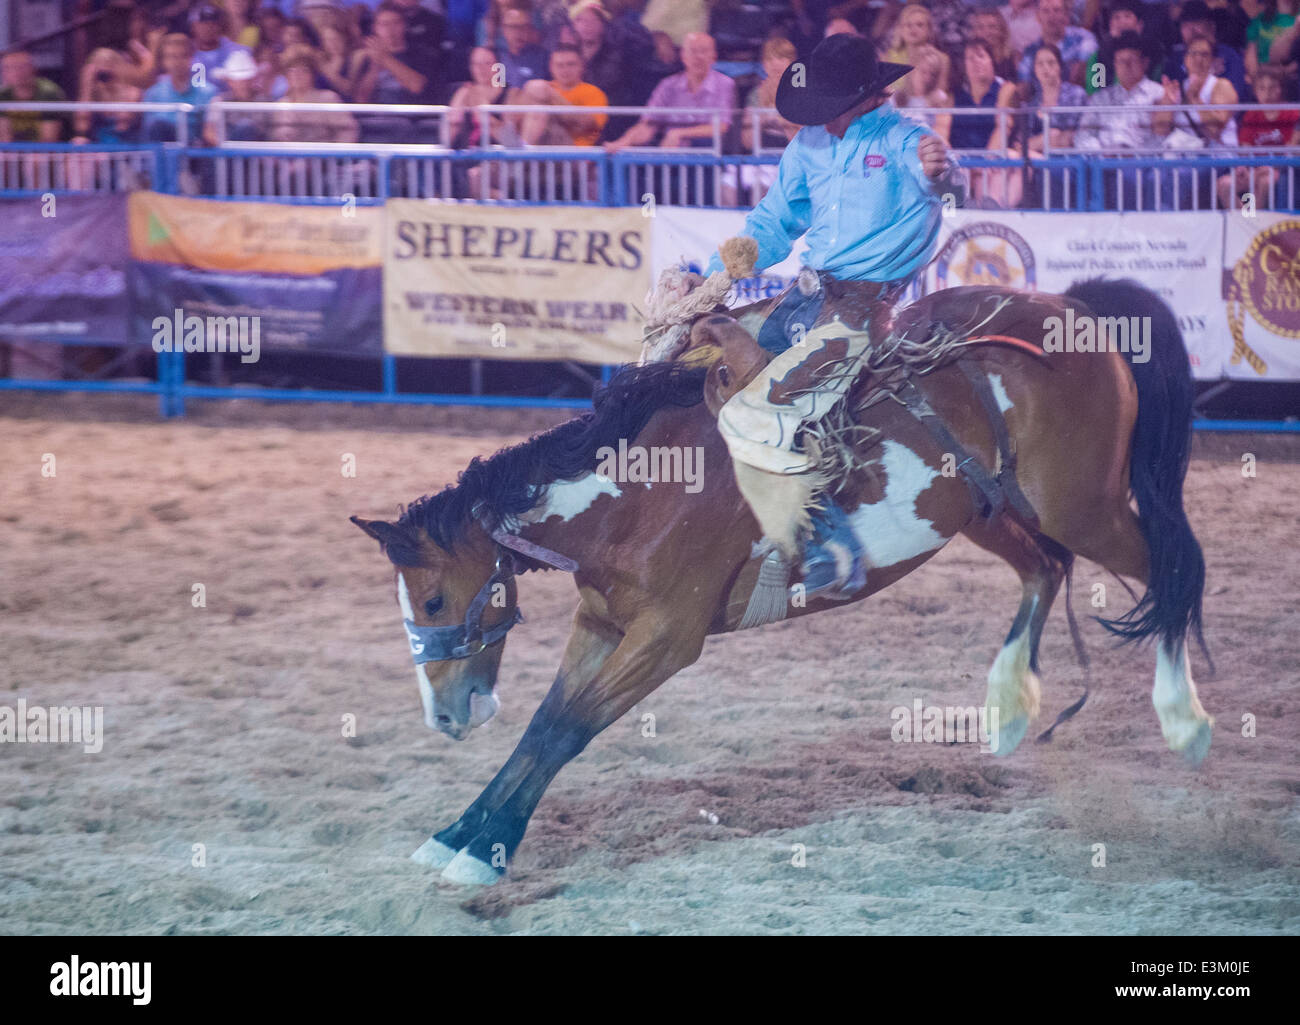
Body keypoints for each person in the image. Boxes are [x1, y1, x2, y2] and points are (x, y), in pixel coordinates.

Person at [703, 33, 967, 598]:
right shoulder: (810, 146)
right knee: (728, 373)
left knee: (778, 401)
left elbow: (944, 182)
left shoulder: (907, 140)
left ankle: (833, 543)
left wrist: (940, 173)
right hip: (809, 293)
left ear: (866, 95)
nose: (821, 114)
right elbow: (775, 219)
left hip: (868, 302)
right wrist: (721, 266)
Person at [603, 31, 734, 150]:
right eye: (693, 51)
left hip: (705, 155)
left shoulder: (725, 84)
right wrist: (624, 142)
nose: (698, 57)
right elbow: (648, 124)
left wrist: (679, 134)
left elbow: (721, 127)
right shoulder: (668, 85)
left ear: (714, 56)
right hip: (670, 155)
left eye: (704, 51)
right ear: (683, 56)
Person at [1216, 64, 1298, 206]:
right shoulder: (1251, 115)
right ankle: (1242, 222)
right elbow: (1246, 150)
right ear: (1255, 91)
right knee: (1224, 184)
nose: (1267, 93)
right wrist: (1244, 169)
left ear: (1281, 89)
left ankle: (1254, 223)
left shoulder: (1293, 114)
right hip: (1254, 171)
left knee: (1265, 180)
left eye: (1272, 87)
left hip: (1278, 171)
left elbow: (1290, 150)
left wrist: (1271, 167)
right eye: (1262, 88)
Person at [511, 43, 609, 145]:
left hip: (574, 152)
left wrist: (552, 96)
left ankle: (520, 155)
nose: (565, 70)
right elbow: (514, 122)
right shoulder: (542, 89)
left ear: (582, 66)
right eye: (559, 65)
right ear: (551, 67)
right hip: (539, 145)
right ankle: (522, 153)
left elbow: (588, 125)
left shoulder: (594, 92)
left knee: (537, 90)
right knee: (533, 93)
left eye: (571, 64)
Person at [141, 34, 220, 143]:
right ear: (163, 61)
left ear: (192, 59)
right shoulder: (153, 94)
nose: (177, 62)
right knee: (158, 126)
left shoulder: (209, 92)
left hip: (196, 152)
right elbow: (149, 133)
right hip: (163, 153)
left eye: (183, 56)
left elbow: (211, 134)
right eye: (172, 56)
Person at [1018, 0, 1099, 84]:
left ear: (1066, 15)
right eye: (1045, 11)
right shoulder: (1030, 51)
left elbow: (1096, 73)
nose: (1051, 16)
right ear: (1038, 17)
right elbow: (1024, 83)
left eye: (1057, 10)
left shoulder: (1083, 38)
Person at [0, 51, 66, 143]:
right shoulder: (3, 95)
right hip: (14, 152)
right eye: (7, 68)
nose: (15, 72)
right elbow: (4, 137)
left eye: (21, 67)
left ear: (32, 69)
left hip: (52, 151)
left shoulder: (48, 93)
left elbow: (49, 139)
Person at [190, 4, 252, 81]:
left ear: (221, 26)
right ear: (193, 27)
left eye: (214, 23)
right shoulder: (184, 53)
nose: (209, 28)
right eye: (204, 24)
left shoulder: (238, 52)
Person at [499, 3, 552, 88]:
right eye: (513, 27)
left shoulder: (544, 57)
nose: (519, 32)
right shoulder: (496, 57)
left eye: (524, 26)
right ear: (504, 29)